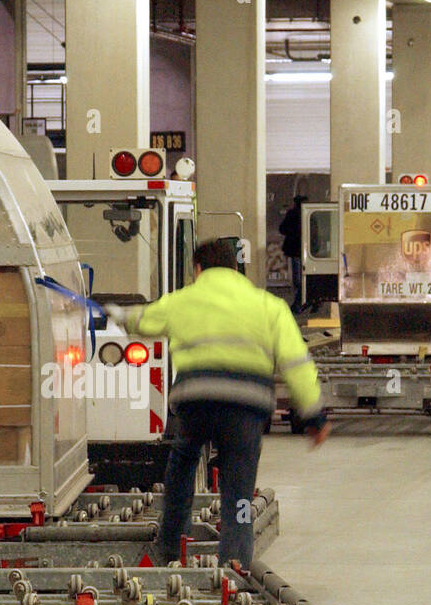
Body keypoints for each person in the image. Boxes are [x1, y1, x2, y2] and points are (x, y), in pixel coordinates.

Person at [104, 238, 330, 570]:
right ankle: (235, 561)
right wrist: (314, 416)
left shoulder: (183, 300)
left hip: (196, 401)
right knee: (238, 487)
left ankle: (169, 546)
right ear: (235, 268)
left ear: (198, 268)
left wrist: (118, 314)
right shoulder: (268, 306)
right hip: (246, 407)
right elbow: (296, 364)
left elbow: (145, 320)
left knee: (182, 463)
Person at [278, 194, 309, 313]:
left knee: (298, 280)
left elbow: (282, 229)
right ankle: (300, 304)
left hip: (295, 250)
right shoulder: (309, 214)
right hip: (306, 251)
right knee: (302, 279)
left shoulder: (291, 214)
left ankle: (298, 305)